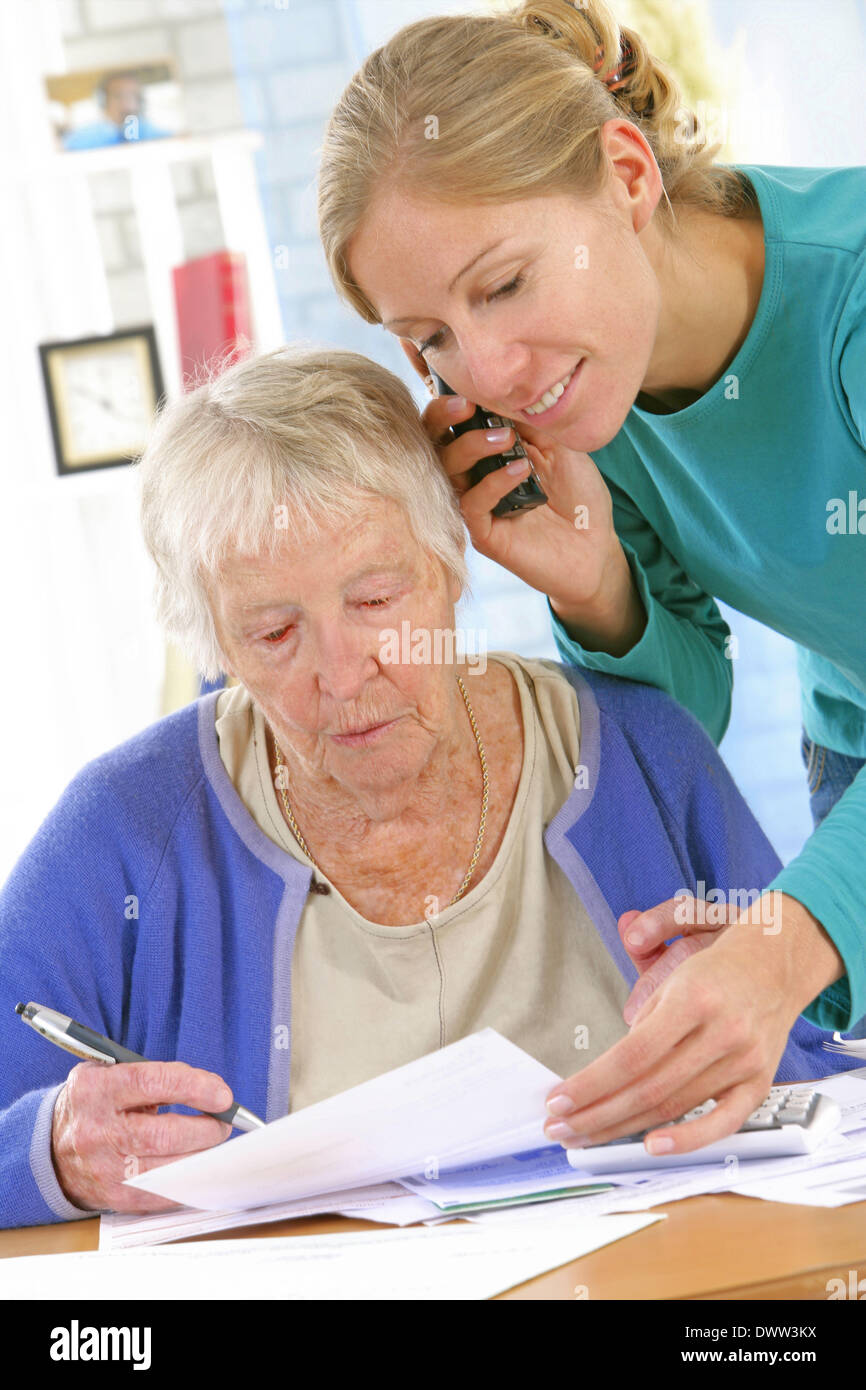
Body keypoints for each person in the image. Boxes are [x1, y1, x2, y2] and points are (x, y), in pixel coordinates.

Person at [1, 346, 858, 1230]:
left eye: (375, 600)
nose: (342, 675)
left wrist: (754, 1026)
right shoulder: (126, 827)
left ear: (451, 561)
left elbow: (823, 1068)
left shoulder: (641, 750)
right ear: (216, 643)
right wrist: (53, 1151)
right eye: (274, 633)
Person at [315, 0, 866, 1151]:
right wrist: (593, 584)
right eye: (431, 337)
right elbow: (688, 718)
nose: (489, 369)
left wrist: (783, 940)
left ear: (624, 175)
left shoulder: (848, 303)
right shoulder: (591, 401)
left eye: (504, 283)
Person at [62, 71, 171, 151]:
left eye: (133, 96)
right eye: (119, 96)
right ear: (104, 101)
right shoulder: (82, 138)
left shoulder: (153, 133)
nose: (127, 103)